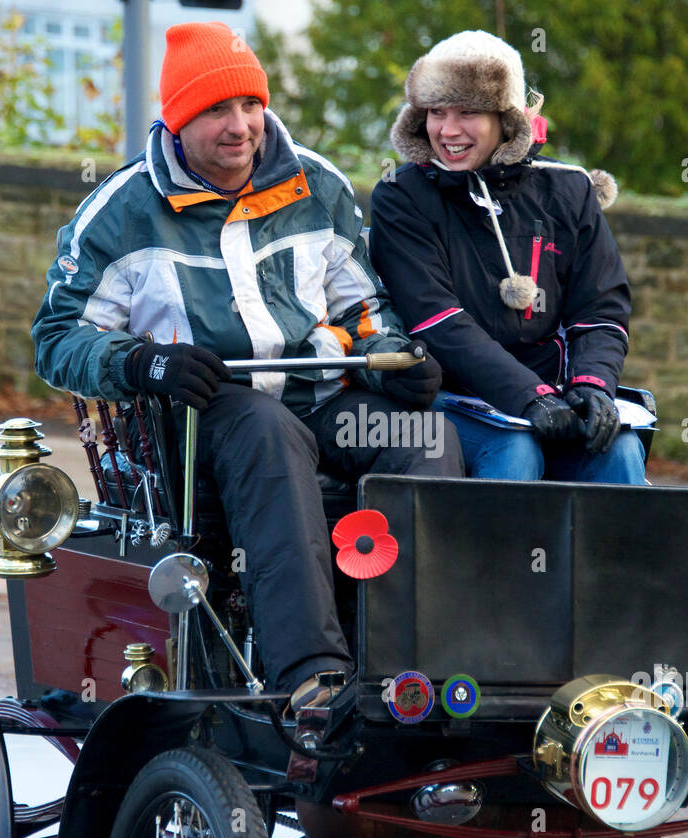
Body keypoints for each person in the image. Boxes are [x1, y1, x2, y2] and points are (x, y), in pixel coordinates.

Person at [31, 21, 462, 714]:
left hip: (322, 402)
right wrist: (143, 362)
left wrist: (393, 362)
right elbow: (56, 340)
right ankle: (312, 677)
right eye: (216, 111)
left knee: (430, 440)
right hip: (196, 421)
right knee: (267, 433)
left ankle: (412, 665)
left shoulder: (315, 185)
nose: (241, 127)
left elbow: (364, 307)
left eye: (251, 106)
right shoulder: (119, 212)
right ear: (177, 119)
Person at [370, 30, 647, 483]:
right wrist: (528, 396)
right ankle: (498, 557)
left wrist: (592, 386)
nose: (448, 131)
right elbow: (436, 321)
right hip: (450, 396)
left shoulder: (568, 189)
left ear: (508, 118)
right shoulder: (402, 196)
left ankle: (614, 557)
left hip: (553, 395)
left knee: (619, 450)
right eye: (436, 112)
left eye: (469, 112)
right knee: (517, 452)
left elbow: (600, 310)